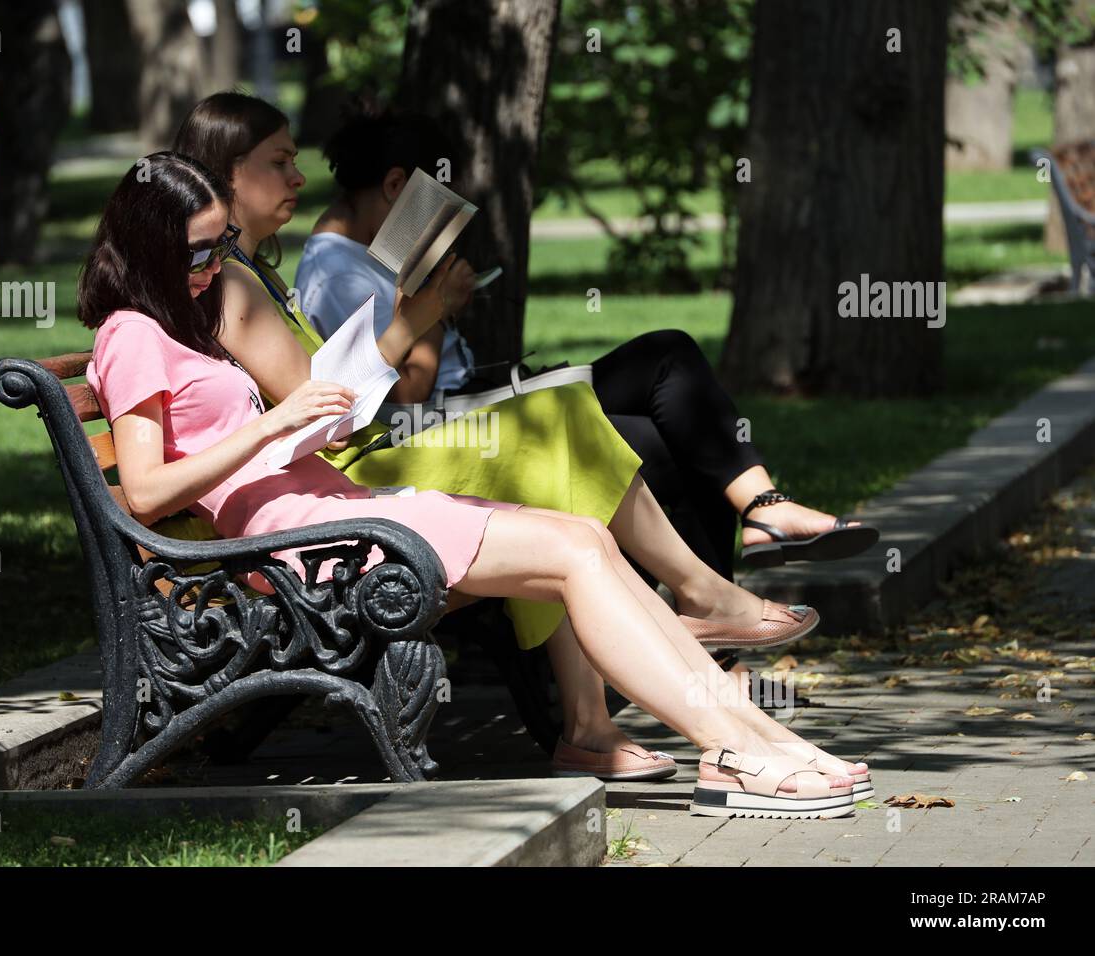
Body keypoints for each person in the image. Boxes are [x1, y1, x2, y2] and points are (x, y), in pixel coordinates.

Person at [78, 150, 871, 818]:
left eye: (220, 248)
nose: (214, 267)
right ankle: (731, 748)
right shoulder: (133, 333)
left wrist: (311, 423)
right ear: (147, 246)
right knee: (572, 551)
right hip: (303, 547)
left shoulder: (181, 317)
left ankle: (757, 739)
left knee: (585, 535)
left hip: (328, 509)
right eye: (197, 252)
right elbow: (146, 493)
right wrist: (274, 424)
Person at [296, 108, 880, 580]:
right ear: (397, 186)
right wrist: (436, 307)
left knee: (669, 357)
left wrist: (433, 302)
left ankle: (760, 517)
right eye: (433, 202)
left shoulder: (363, 256)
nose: (436, 220)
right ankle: (730, 596)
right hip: (444, 421)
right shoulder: (340, 274)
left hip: (479, 400)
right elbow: (406, 395)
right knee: (666, 432)